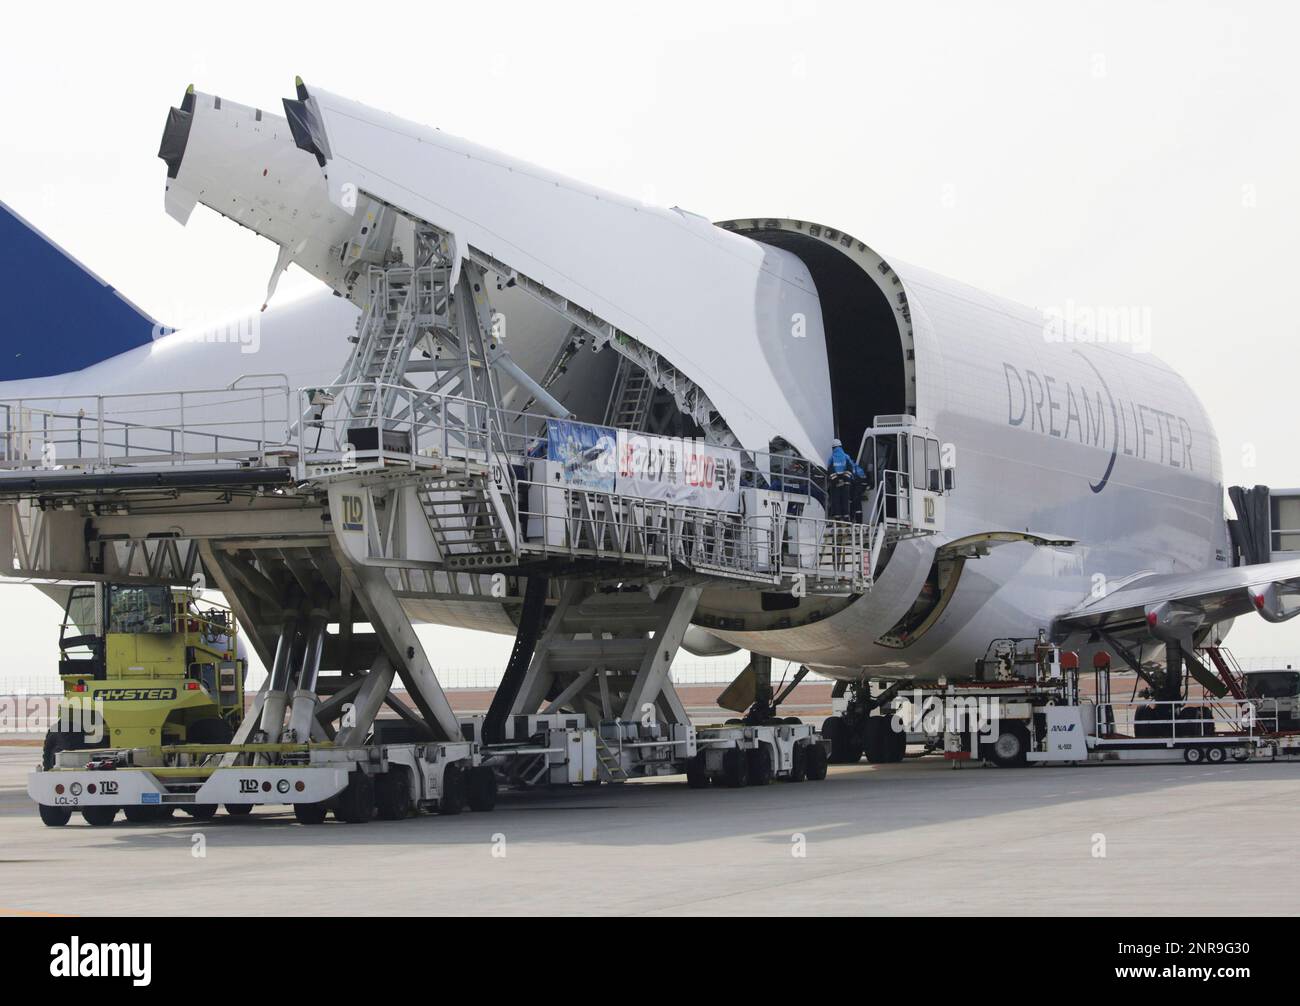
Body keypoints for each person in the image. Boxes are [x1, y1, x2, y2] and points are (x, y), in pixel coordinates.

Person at [826, 438, 853, 518]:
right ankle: (846, 518)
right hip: (846, 482)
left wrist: (837, 480)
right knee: (845, 499)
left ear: (833, 448)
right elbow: (850, 468)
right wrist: (845, 478)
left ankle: (837, 518)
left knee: (836, 500)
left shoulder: (831, 458)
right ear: (841, 446)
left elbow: (829, 469)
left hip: (836, 483)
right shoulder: (846, 456)